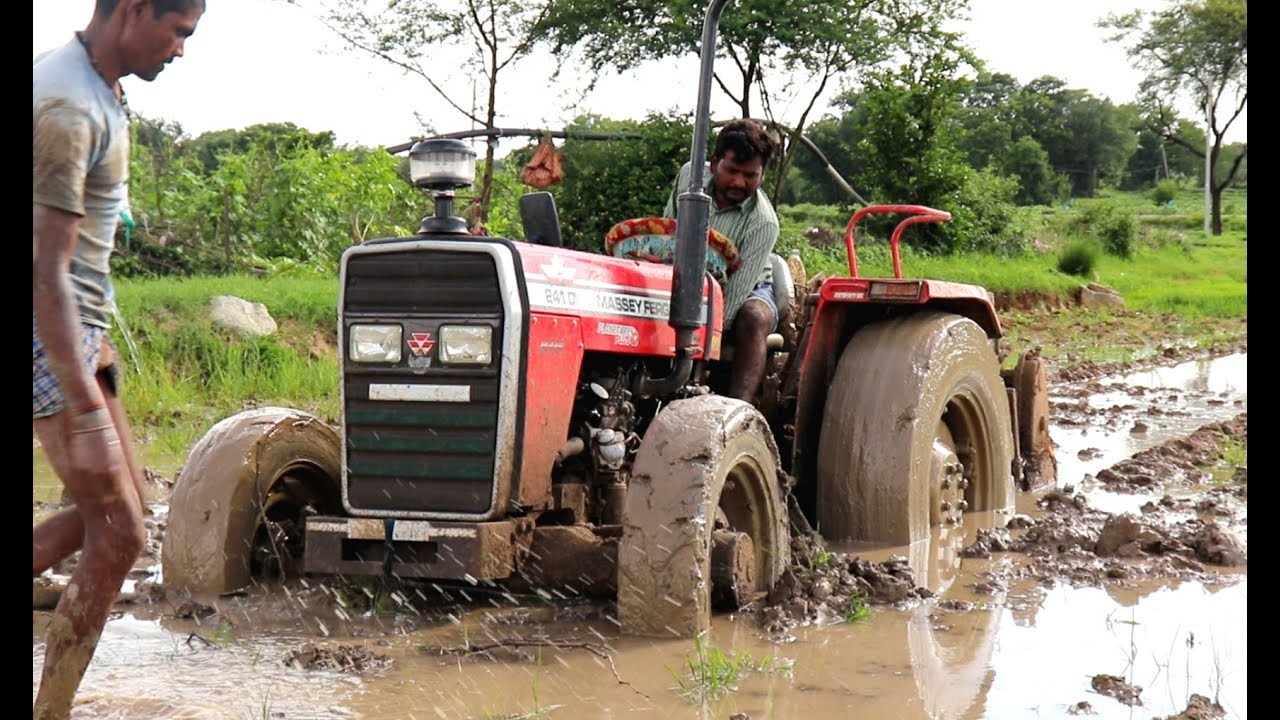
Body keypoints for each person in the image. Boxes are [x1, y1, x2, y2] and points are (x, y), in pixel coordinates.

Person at [33, 1, 205, 717]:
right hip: (48, 331)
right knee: (123, 534)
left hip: (83, 323)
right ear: (134, 10)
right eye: (178, 31)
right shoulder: (69, 106)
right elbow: (44, 272)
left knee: (128, 503)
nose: (181, 50)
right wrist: (84, 406)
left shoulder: (101, 86)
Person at [663, 119, 780, 400]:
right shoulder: (689, 177)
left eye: (750, 175)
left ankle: (739, 409)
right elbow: (667, 233)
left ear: (763, 175)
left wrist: (699, 341)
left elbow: (732, 303)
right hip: (687, 272)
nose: (739, 182)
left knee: (753, 317)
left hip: (744, 286)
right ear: (714, 163)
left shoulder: (764, 222)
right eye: (732, 171)